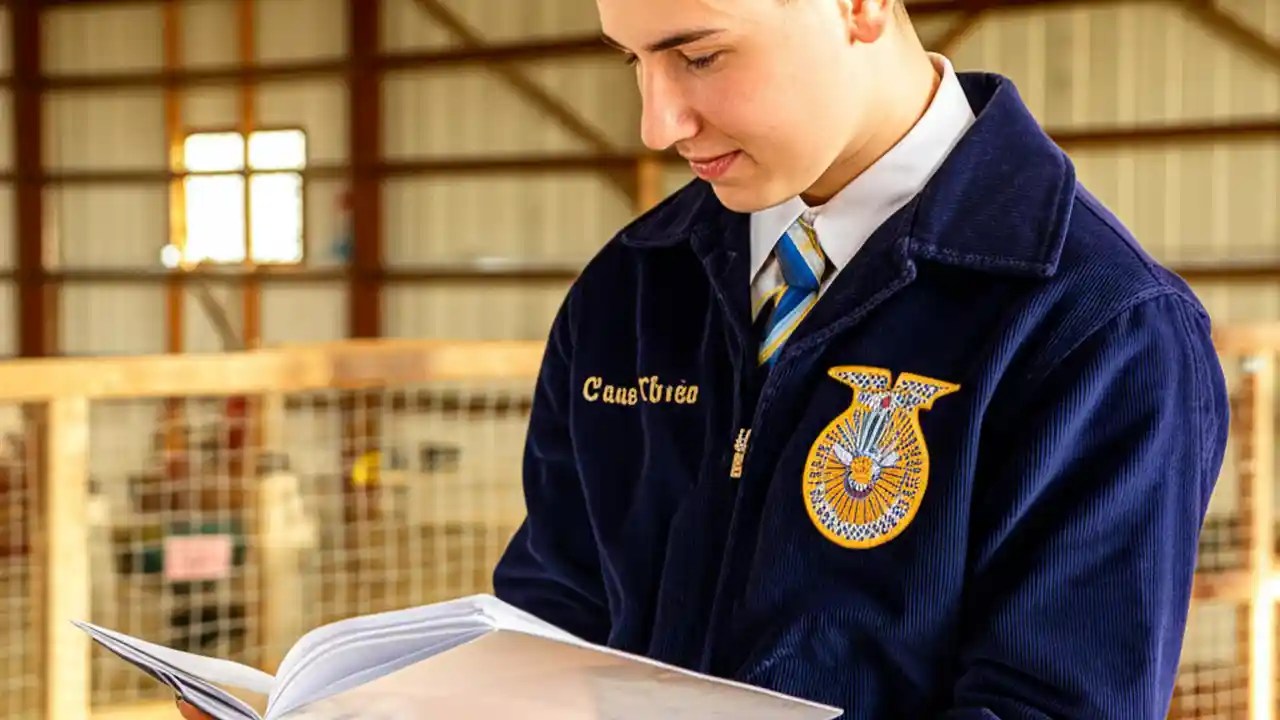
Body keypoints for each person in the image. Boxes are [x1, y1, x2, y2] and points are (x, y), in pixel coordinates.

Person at [180, 0, 1229, 718]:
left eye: (698, 54)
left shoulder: (1093, 326)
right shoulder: (633, 288)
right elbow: (554, 621)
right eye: (631, 60)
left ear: (858, 2)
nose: (654, 122)